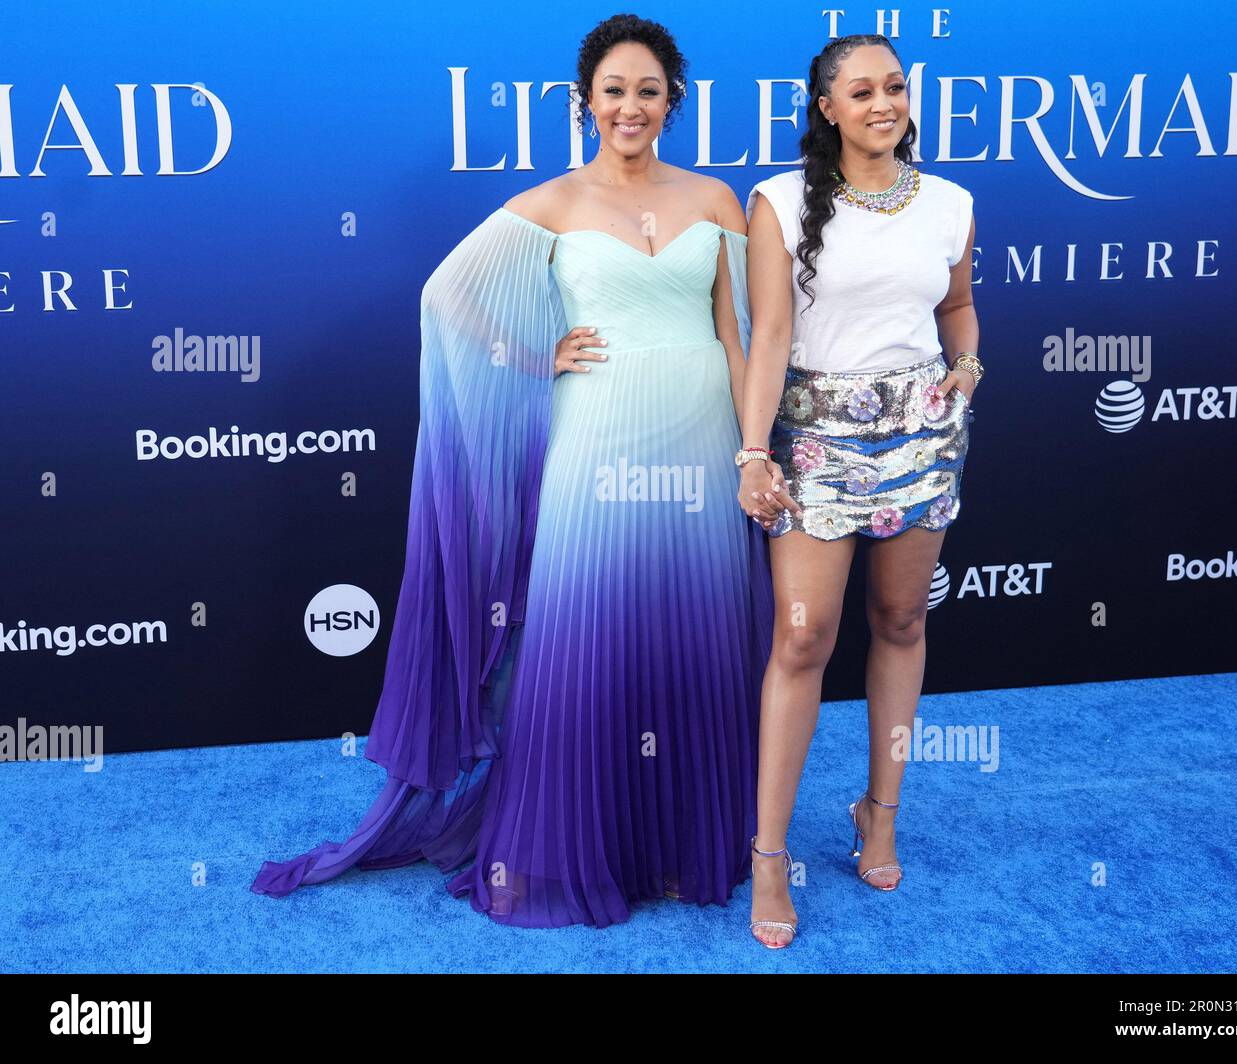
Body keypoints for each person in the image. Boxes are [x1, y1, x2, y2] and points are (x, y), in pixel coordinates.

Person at [250, 14, 773, 929]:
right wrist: (536, 353)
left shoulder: (719, 202)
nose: (631, 106)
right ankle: (582, 846)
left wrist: (749, 451)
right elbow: (447, 299)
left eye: (648, 90)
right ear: (586, 102)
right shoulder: (556, 203)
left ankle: (678, 847)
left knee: (691, 635)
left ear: (672, 102)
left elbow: (738, 339)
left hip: (700, 440)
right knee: (588, 640)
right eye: (614, 90)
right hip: (597, 437)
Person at [736, 34, 983, 948]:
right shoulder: (782, 200)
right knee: (802, 638)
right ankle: (768, 854)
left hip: (924, 434)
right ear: (826, 109)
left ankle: (879, 810)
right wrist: (753, 452)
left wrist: (968, 364)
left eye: (896, 87)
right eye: (862, 91)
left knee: (904, 623)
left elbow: (954, 307)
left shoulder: (952, 201)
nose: (884, 102)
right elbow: (768, 337)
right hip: (814, 442)